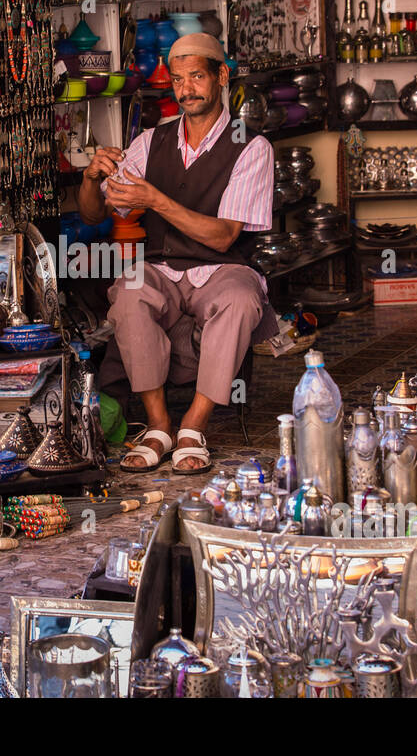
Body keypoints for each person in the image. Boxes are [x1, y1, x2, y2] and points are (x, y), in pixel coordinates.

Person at [76, 32, 277, 475]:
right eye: (179, 79)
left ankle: (193, 427)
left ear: (222, 76)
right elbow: (93, 216)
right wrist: (91, 179)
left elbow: (224, 236)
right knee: (128, 291)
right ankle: (159, 424)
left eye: (197, 77)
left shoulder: (251, 147)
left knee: (241, 298)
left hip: (224, 268)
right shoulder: (152, 142)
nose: (186, 89)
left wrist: (157, 200)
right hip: (162, 267)